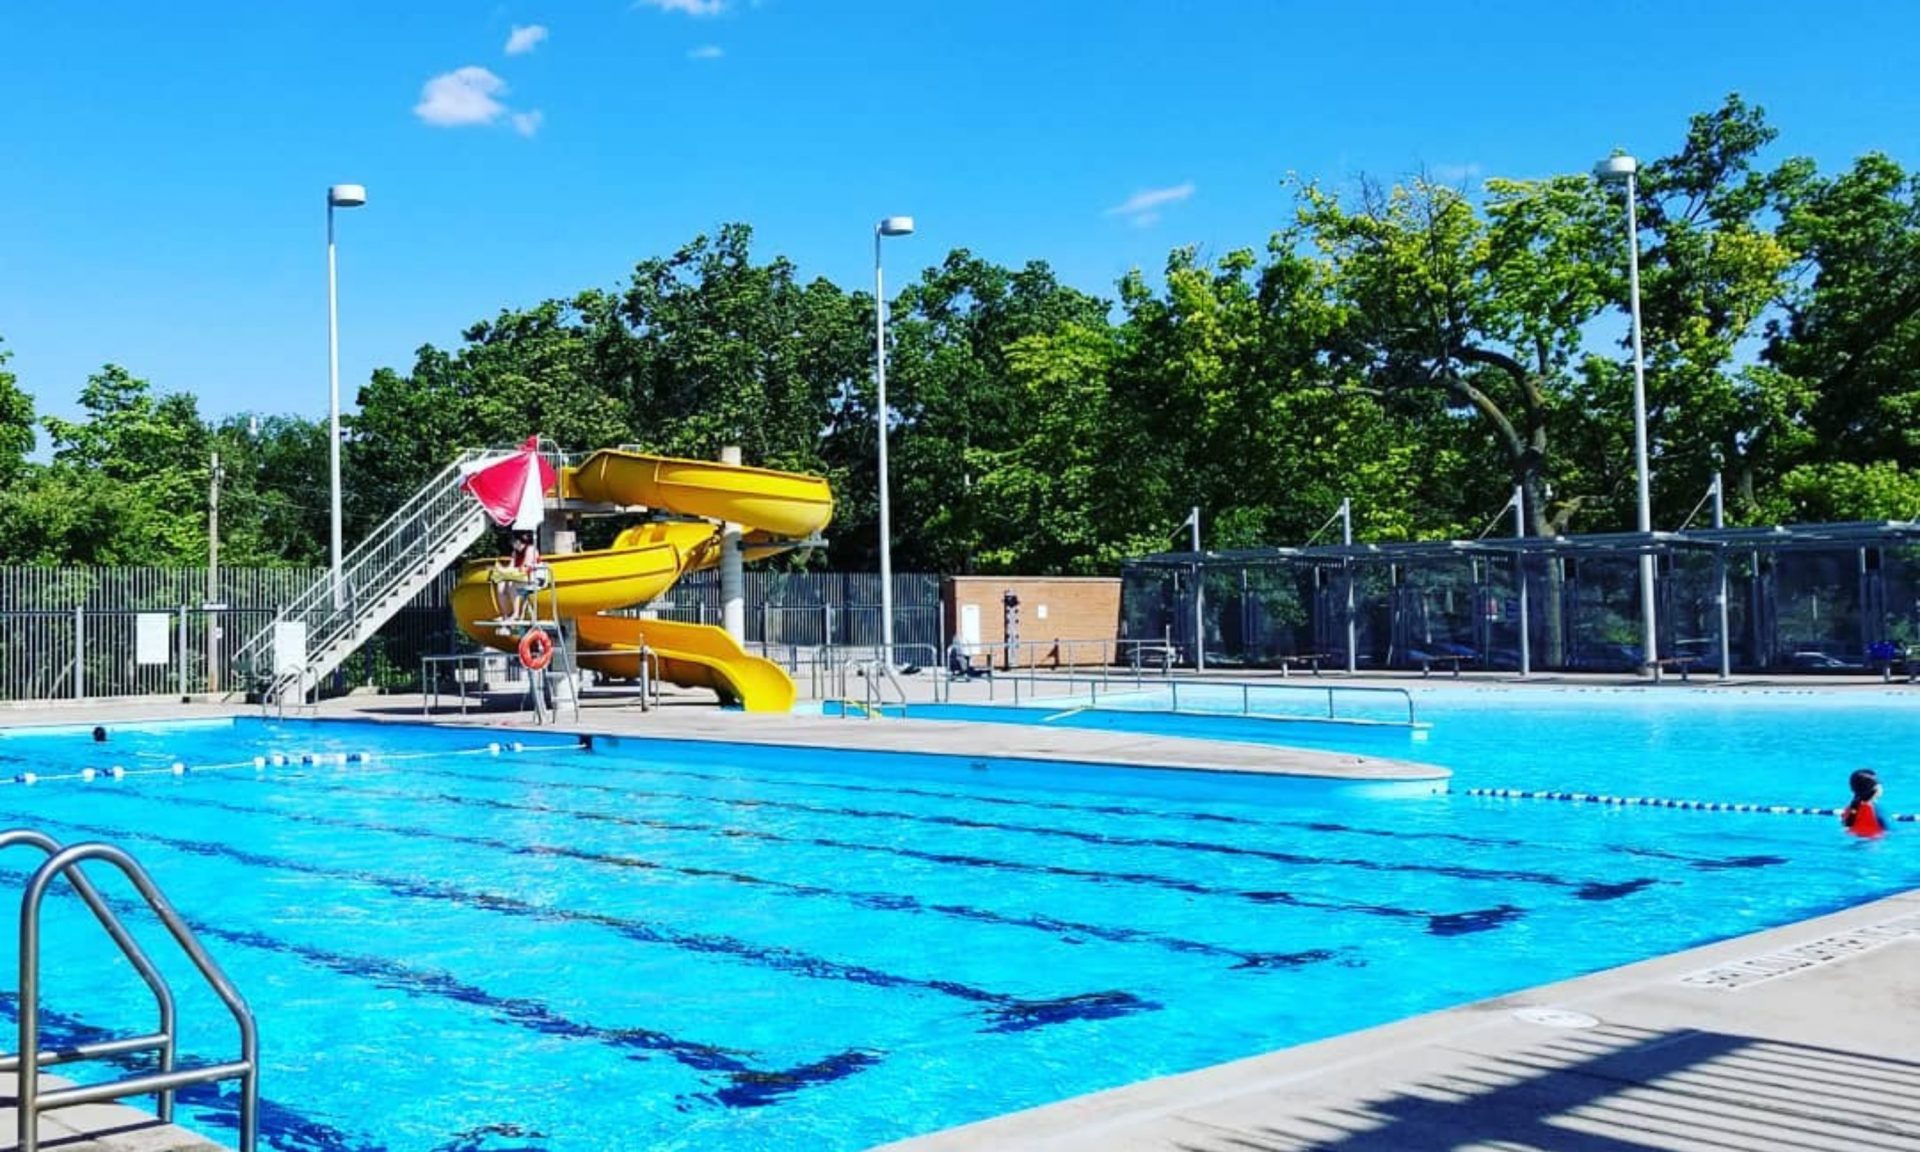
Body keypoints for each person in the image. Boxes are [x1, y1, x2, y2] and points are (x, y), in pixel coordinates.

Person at [490, 529, 543, 631]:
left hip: (531, 578)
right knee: (501, 584)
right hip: (520, 578)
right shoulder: (515, 552)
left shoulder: (530, 550)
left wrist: (509, 572)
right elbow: (511, 567)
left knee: (511, 584)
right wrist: (501, 570)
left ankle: (516, 614)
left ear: (520, 541)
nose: (512, 544)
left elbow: (524, 568)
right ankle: (505, 615)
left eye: (513, 541)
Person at [1841, 768, 1887, 839]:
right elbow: (1890, 829)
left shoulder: (1849, 808)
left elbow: (1846, 827)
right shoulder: (1876, 809)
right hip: (1874, 841)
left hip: (1855, 838)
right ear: (1876, 789)